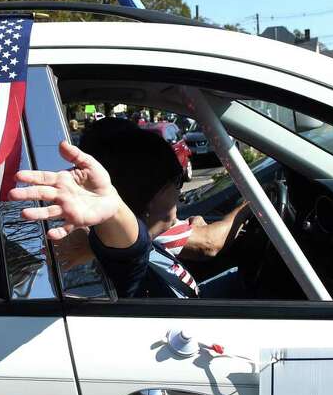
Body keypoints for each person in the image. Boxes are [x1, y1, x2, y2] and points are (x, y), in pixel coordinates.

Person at [12, 119, 249, 298]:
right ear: (151, 193)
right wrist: (114, 208)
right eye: (177, 180)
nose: (180, 190)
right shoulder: (118, 254)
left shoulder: (156, 236)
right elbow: (128, 249)